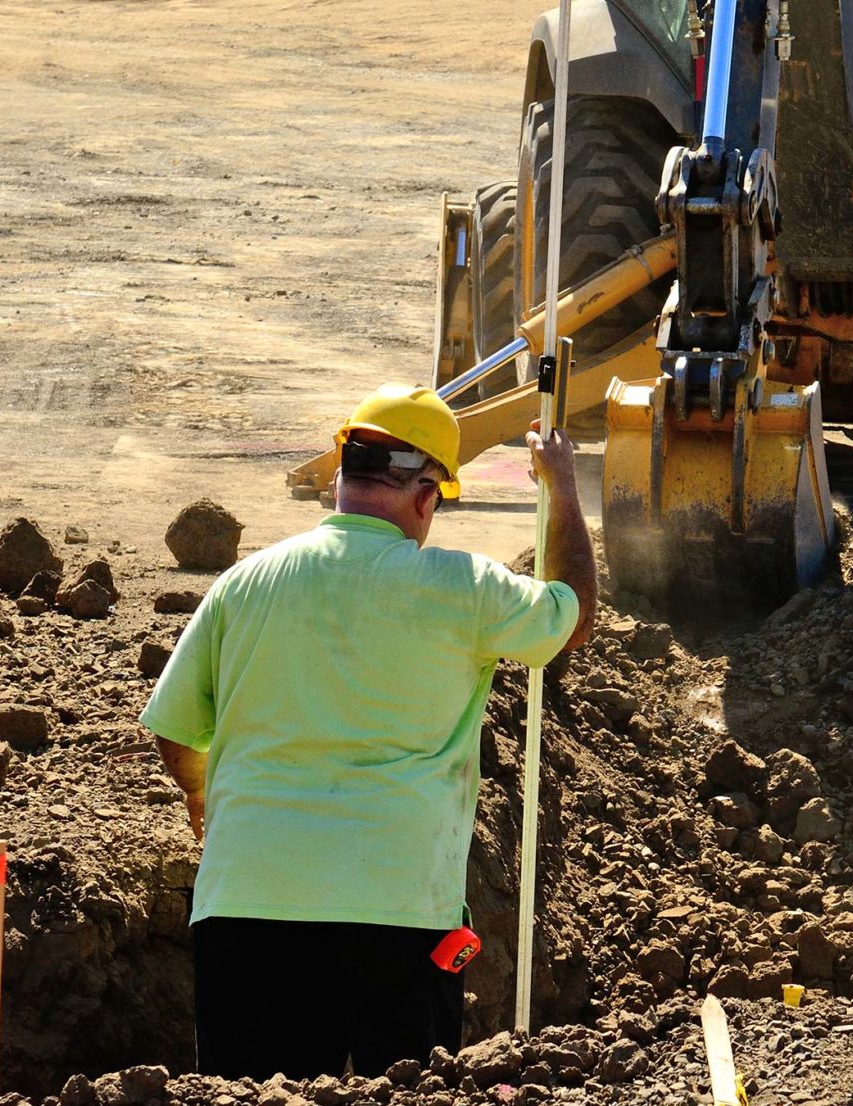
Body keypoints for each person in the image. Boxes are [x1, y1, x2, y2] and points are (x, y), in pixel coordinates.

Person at [141, 383, 596, 1079]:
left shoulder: (245, 582)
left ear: (341, 479)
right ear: (426, 495)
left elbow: (175, 724)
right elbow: (569, 621)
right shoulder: (464, 587)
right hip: (399, 912)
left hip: (245, 902)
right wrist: (560, 485)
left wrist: (202, 797)